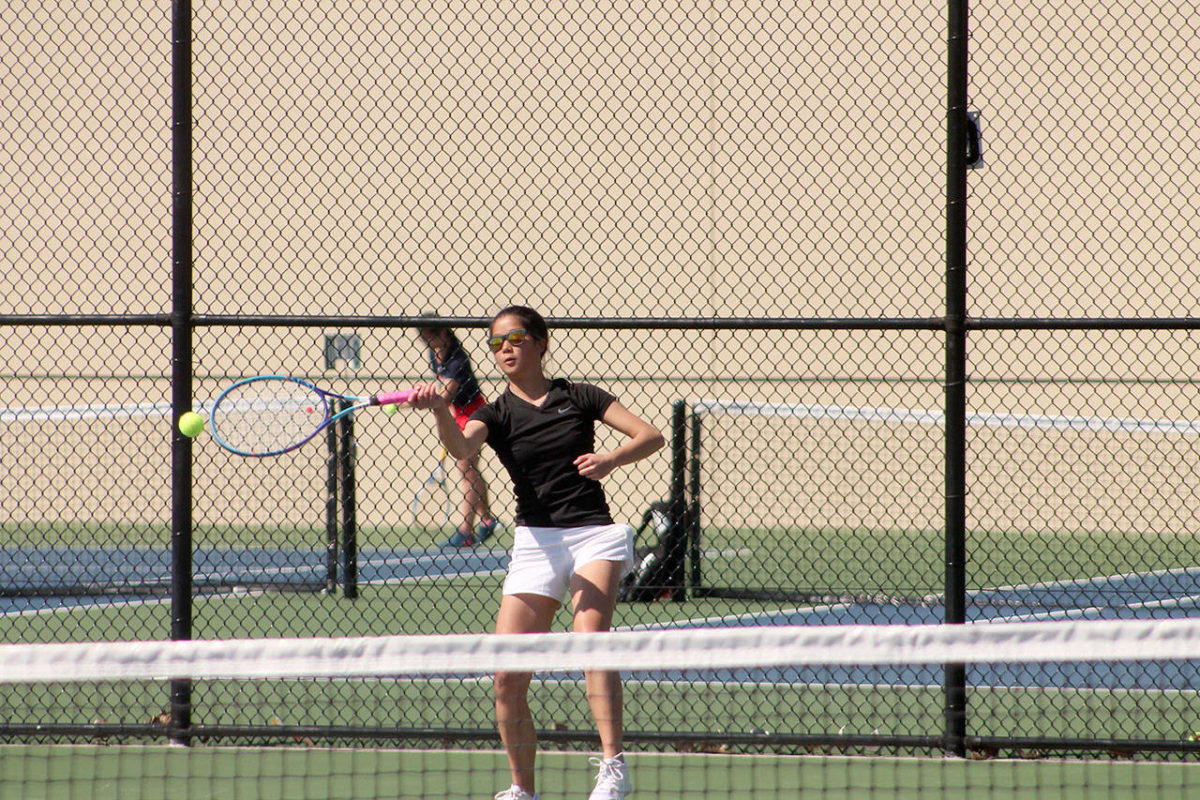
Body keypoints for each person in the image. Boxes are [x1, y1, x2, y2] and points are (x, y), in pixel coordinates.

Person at [407, 305, 665, 800]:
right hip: (535, 542)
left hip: (592, 534)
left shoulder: (581, 396)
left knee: (591, 641)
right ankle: (522, 789)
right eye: (496, 343)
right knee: (507, 676)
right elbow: (462, 449)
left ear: (541, 343)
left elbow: (649, 436)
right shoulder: (495, 413)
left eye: (516, 338)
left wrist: (611, 459)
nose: (505, 348)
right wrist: (440, 409)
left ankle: (613, 768)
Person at [417, 318, 500, 548]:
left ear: (443, 333)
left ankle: (466, 531)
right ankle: (487, 520)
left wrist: (414, 402)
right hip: (457, 414)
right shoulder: (435, 355)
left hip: (474, 412)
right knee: (470, 471)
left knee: (467, 470)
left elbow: (444, 397)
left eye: (430, 336)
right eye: (424, 338)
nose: (427, 342)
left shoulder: (457, 359)